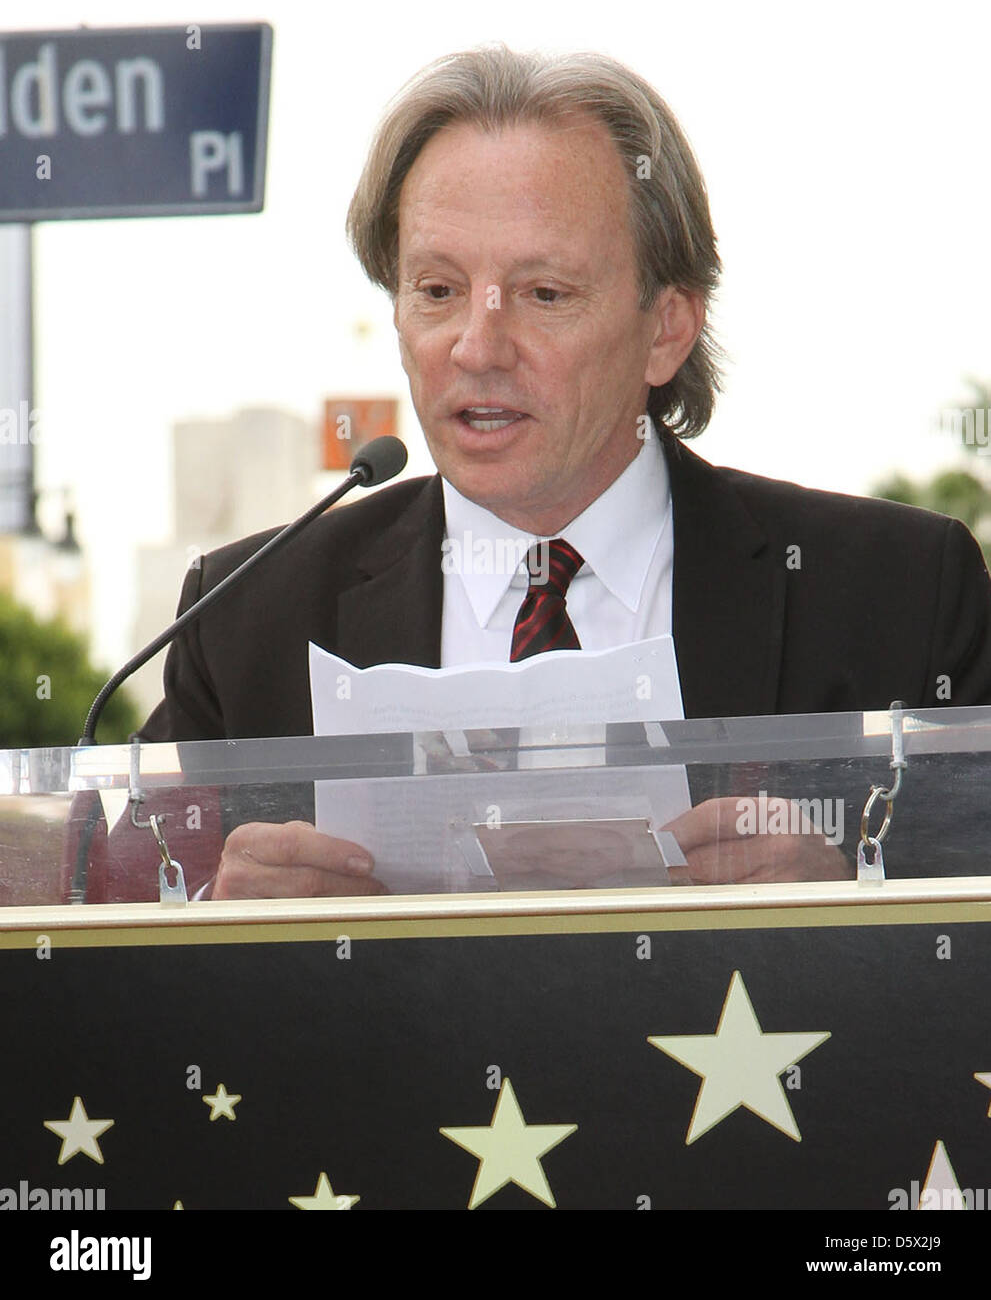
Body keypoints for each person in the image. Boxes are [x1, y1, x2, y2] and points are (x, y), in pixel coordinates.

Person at [137, 45, 991, 899]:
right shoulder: (245, 615)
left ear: (666, 329)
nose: (475, 347)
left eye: (544, 294)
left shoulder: (900, 595)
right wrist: (211, 913)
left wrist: (859, 893)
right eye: (436, 290)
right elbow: (107, 925)